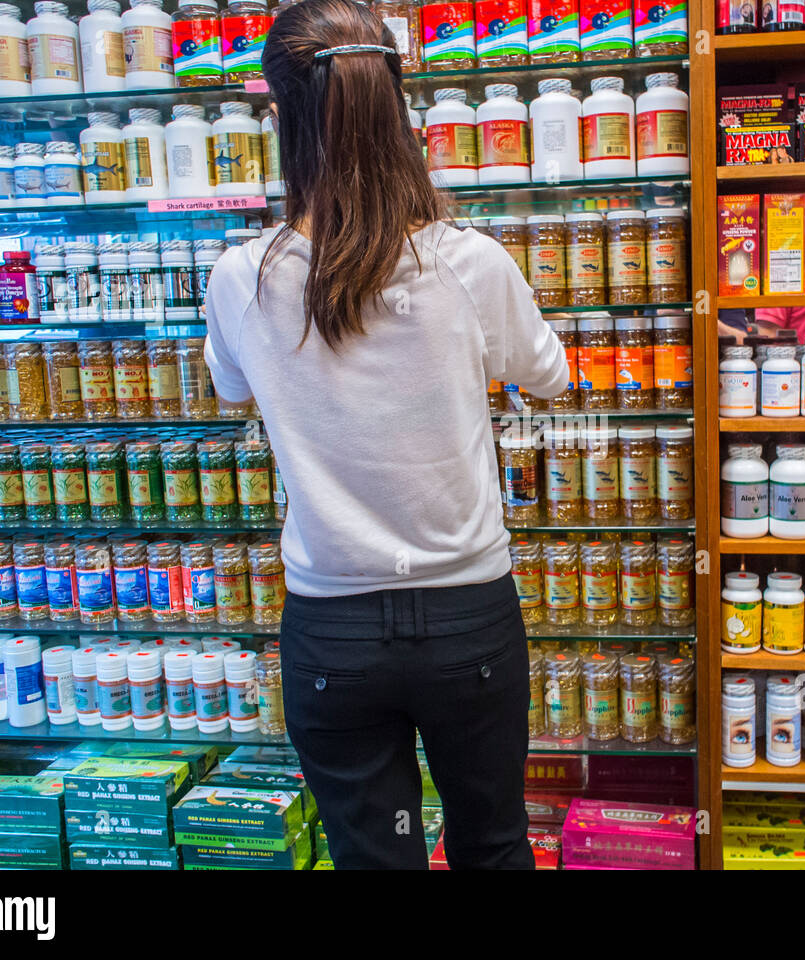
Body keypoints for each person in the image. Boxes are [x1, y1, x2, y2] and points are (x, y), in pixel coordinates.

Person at [201, 0, 567, 869]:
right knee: (493, 844)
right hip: (468, 620)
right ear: (397, 106)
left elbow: (232, 389)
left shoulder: (239, 277)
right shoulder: (469, 261)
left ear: (280, 111)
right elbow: (549, 379)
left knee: (376, 857)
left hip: (331, 631)